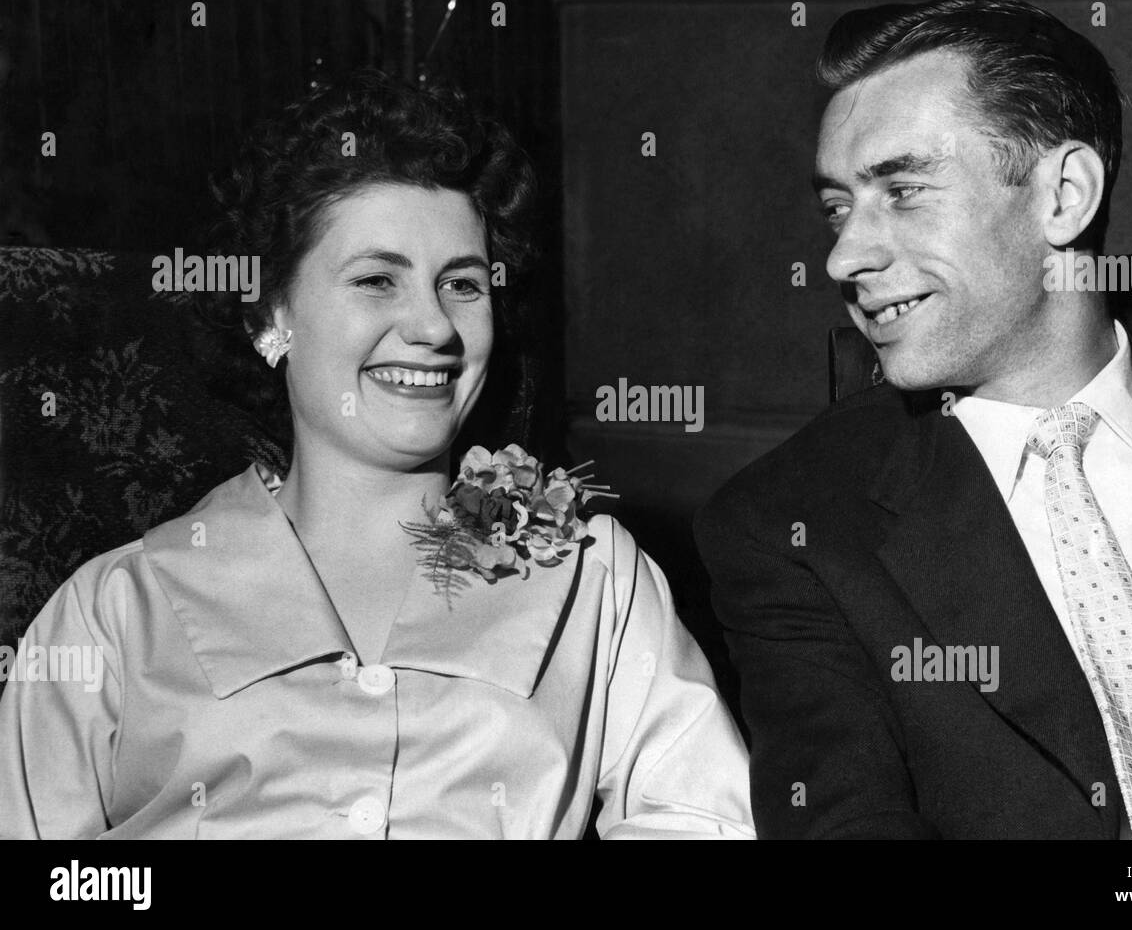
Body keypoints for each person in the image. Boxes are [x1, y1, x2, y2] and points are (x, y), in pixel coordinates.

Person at [0, 70, 753, 839]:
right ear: (272, 316)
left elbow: (701, 820)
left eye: (461, 284)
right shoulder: (115, 609)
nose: (432, 326)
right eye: (376, 279)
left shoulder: (595, 575)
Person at [696, 0, 1132, 839]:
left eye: (902, 191)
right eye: (838, 207)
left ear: (1064, 196)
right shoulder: (790, 528)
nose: (842, 255)